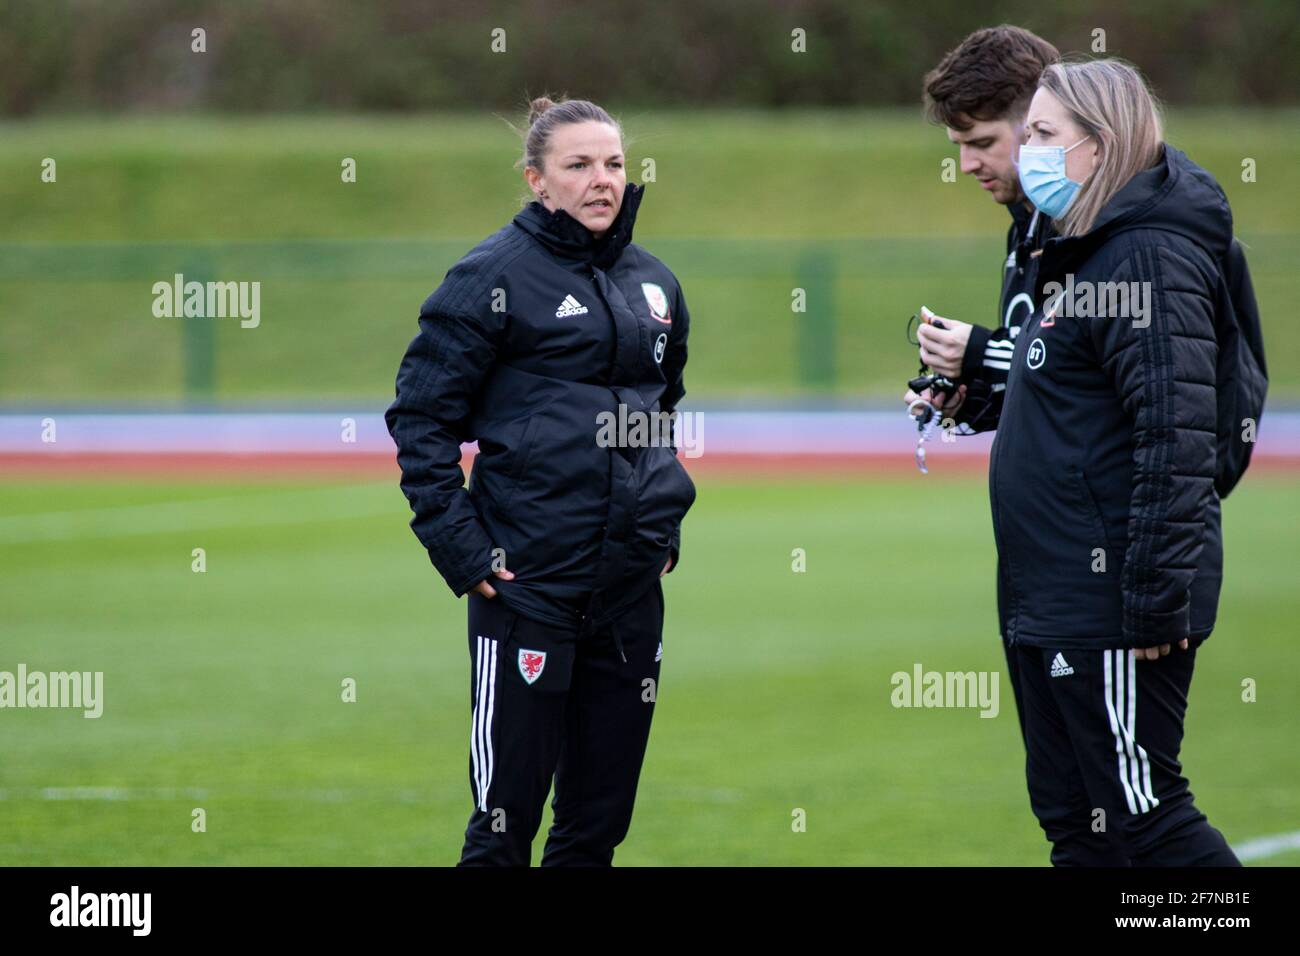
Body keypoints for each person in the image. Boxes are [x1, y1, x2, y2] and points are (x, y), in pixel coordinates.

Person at [384, 95, 696, 866]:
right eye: (579, 166)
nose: (603, 181)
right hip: (527, 589)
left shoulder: (655, 285)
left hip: (627, 593)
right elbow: (420, 423)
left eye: (615, 164)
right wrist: (465, 554)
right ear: (536, 179)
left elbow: (660, 414)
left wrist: (662, 530)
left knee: (596, 829)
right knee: (503, 826)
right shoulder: (490, 276)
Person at [988, 58, 1241, 865]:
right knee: (1076, 822)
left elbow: (1178, 434)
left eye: (1042, 134)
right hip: (1052, 589)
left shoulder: (1145, 258)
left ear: (1098, 147)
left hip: (1110, 598)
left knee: (1145, 817)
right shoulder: (1087, 255)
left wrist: (1153, 601)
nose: (1024, 149)